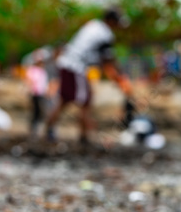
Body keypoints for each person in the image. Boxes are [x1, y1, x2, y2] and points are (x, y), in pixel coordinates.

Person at [45, 7, 132, 144]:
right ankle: (84, 137)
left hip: (67, 63)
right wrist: (120, 78)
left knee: (65, 99)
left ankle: (50, 130)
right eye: (117, 22)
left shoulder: (94, 25)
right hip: (75, 66)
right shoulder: (105, 34)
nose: (118, 27)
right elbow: (107, 61)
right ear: (110, 21)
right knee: (85, 102)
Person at [24, 50, 49, 137]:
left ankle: (36, 128)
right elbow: (29, 81)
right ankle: (33, 128)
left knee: (40, 112)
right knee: (35, 111)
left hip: (41, 94)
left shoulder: (43, 71)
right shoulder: (32, 70)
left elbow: (44, 83)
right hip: (35, 93)